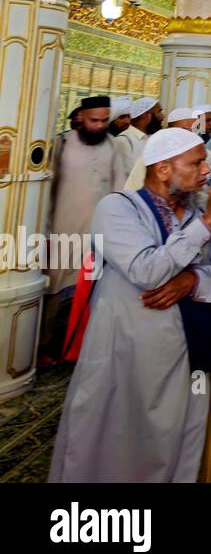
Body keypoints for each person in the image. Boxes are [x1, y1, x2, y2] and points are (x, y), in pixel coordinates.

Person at [47, 128, 211, 482]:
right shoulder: (117, 208)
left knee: (175, 435)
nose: (205, 171)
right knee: (115, 436)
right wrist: (207, 221)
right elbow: (146, 271)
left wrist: (192, 281)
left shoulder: (199, 212)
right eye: (195, 163)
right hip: (126, 351)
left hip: (185, 351)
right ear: (163, 168)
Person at [39, 96, 130, 366]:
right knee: (52, 293)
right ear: (79, 117)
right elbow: (46, 190)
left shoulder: (112, 145)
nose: (99, 126)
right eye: (94, 120)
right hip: (61, 232)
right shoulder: (61, 144)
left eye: (104, 121)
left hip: (97, 234)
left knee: (94, 289)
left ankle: (81, 346)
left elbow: (119, 187)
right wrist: (44, 232)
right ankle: (42, 346)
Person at [123, 108, 210, 191]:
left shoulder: (206, 155)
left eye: (195, 131)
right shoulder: (151, 159)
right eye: (184, 130)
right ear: (170, 130)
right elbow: (133, 194)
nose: (190, 135)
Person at [120, 97, 160, 165]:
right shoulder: (124, 141)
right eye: (159, 111)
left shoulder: (153, 138)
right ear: (147, 115)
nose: (163, 116)